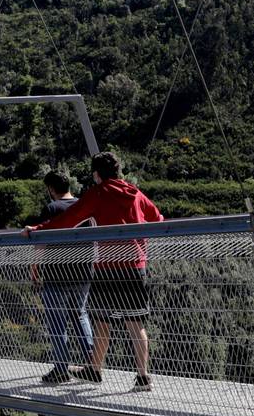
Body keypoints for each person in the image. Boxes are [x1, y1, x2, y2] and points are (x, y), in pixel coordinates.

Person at [25, 151, 160, 391]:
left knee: (101, 321)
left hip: (107, 267)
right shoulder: (135, 193)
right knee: (135, 324)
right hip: (135, 265)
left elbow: (69, 220)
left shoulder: (97, 193)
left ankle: (95, 369)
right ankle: (143, 377)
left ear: (96, 174)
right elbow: (157, 219)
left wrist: (39, 228)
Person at [33, 171, 94, 385]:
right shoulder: (84, 206)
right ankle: (92, 363)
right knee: (80, 314)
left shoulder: (51, 208)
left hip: (56, 273)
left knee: (57, 321)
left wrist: (35, 267)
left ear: (51, 189)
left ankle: (61, 369)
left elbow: (41, 240)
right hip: (84, 272)